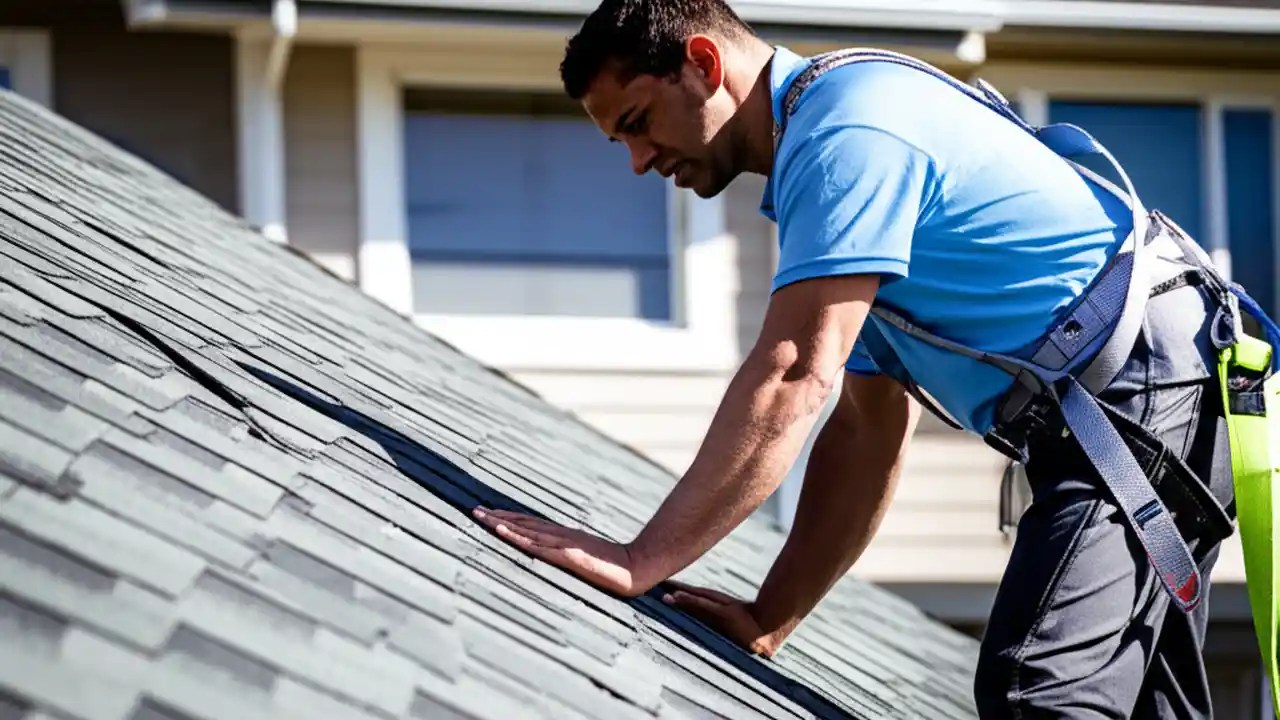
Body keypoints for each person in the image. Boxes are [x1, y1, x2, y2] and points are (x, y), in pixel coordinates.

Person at [472, 0, 1240, 716]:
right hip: (1155, 398)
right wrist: (771, 614)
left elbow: (795, 371)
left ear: (702, 62)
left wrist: (640, 560)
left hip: (1144, 393)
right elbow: (866, 429)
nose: (638, 161)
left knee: (1039, 689)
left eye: (638, 123)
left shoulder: (846, 134)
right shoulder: (839, 139)